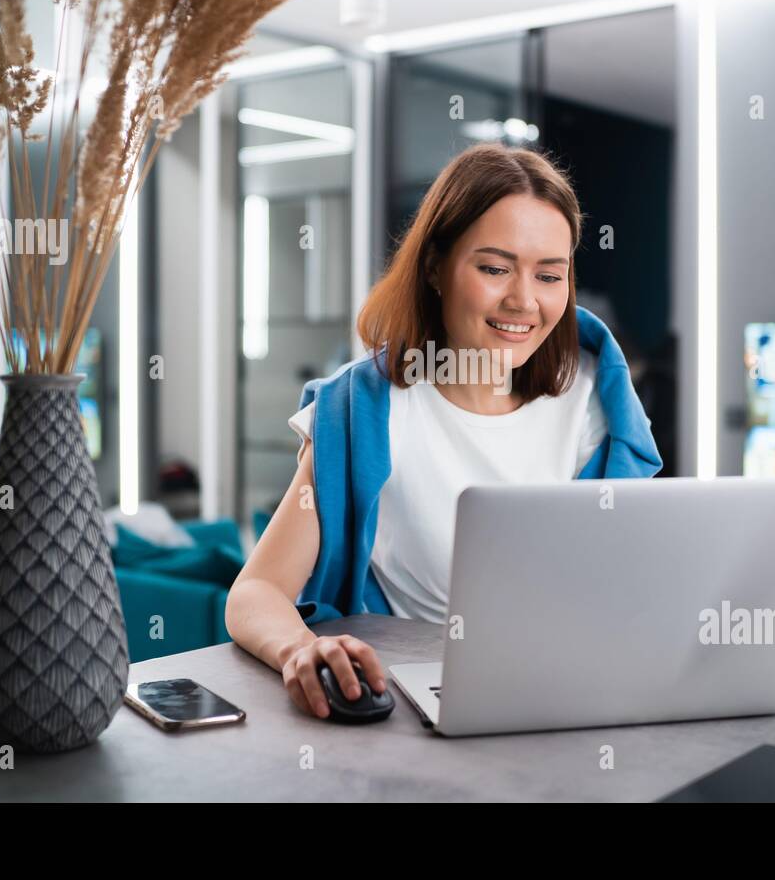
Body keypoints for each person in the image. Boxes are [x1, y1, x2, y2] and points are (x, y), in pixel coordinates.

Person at [225, 143, 662, 719]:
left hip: (565, 695)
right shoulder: (361, 409)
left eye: (549, 275)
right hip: (409, 699)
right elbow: (255, 592)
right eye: (494, 268)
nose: (524, 301)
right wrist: (303, 650)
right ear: (435, 266)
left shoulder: (592, 396)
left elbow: (630, 585)